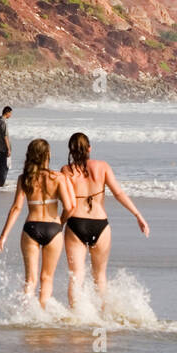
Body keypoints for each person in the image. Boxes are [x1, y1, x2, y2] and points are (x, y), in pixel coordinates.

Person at [60, 131, 150, 310]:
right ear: (90, 148)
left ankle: (76, 316)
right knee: (100, 277)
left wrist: (58, 224)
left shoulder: (66, 171)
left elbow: (66, 202)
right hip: (100, 225)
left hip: (75, 223)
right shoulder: (102, 166)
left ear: (70, 149)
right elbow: (119, 193)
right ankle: (103, 316)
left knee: (76, 275)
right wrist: (138, 215)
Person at [0, 139, 77, 309]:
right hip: (53, 229)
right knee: (47, 278)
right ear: (48, 155)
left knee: (30, 280)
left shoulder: (24, 178)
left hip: (31, 228)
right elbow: (70, 207)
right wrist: (60, 222)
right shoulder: (58, 178)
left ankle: (26, 315)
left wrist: (3, 236)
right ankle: (42, 315)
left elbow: (16, 208)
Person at [0, 106, 12, 186]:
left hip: (0, 147)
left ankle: (1, 183)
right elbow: (5, 136)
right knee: (5, 167)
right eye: (10, 113)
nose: (11, 115)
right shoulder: (3, 122)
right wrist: (8, 149)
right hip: (4, 147)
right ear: (7, 112)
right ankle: (2, 184)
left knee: (2, 166)